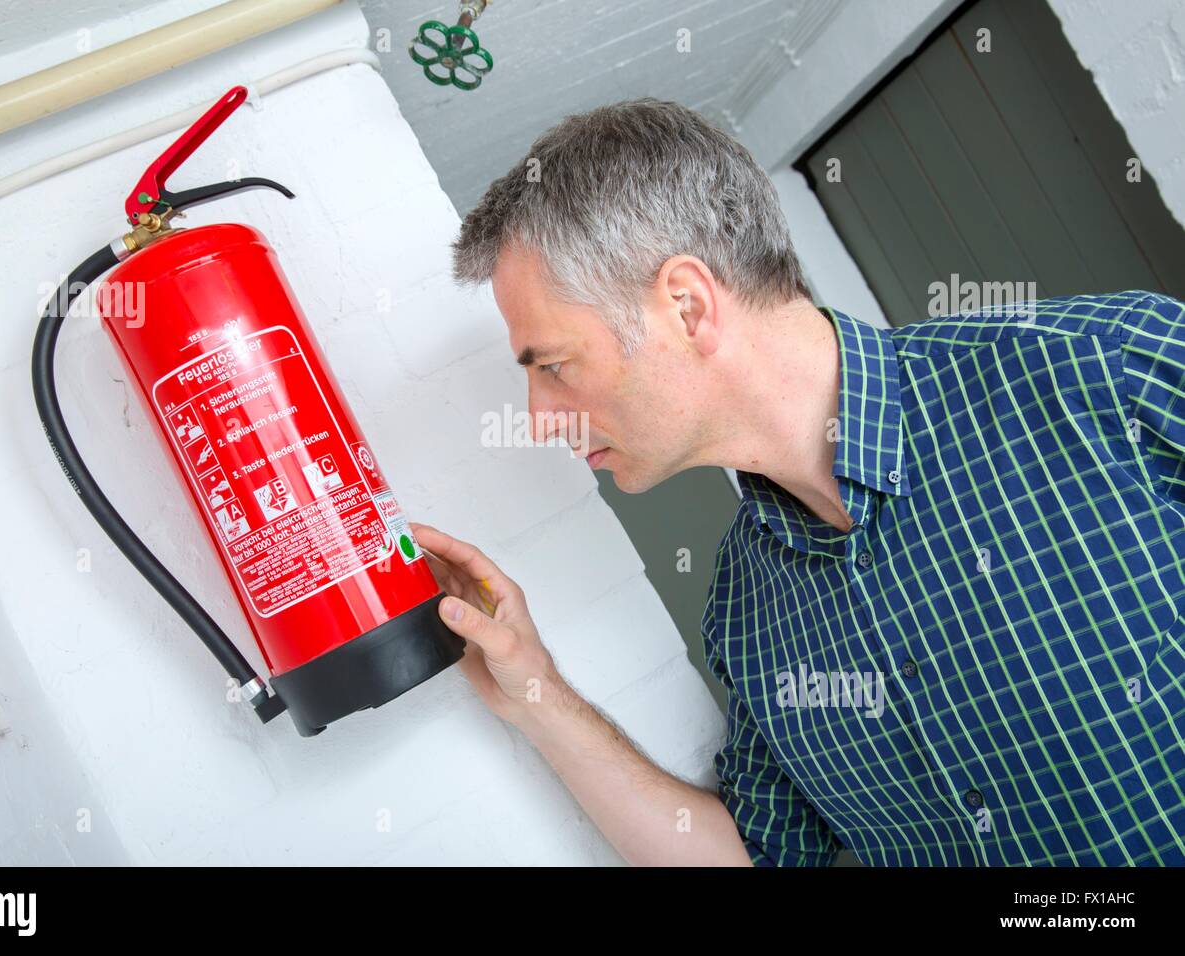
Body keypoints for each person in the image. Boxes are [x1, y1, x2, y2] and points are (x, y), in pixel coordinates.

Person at [410, 98, 1185, 866]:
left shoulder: (1107, 372)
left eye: (552, 365)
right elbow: (750, 858)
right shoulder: (744, 608)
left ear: (687, 306)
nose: (540, 417)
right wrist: (537, 692)